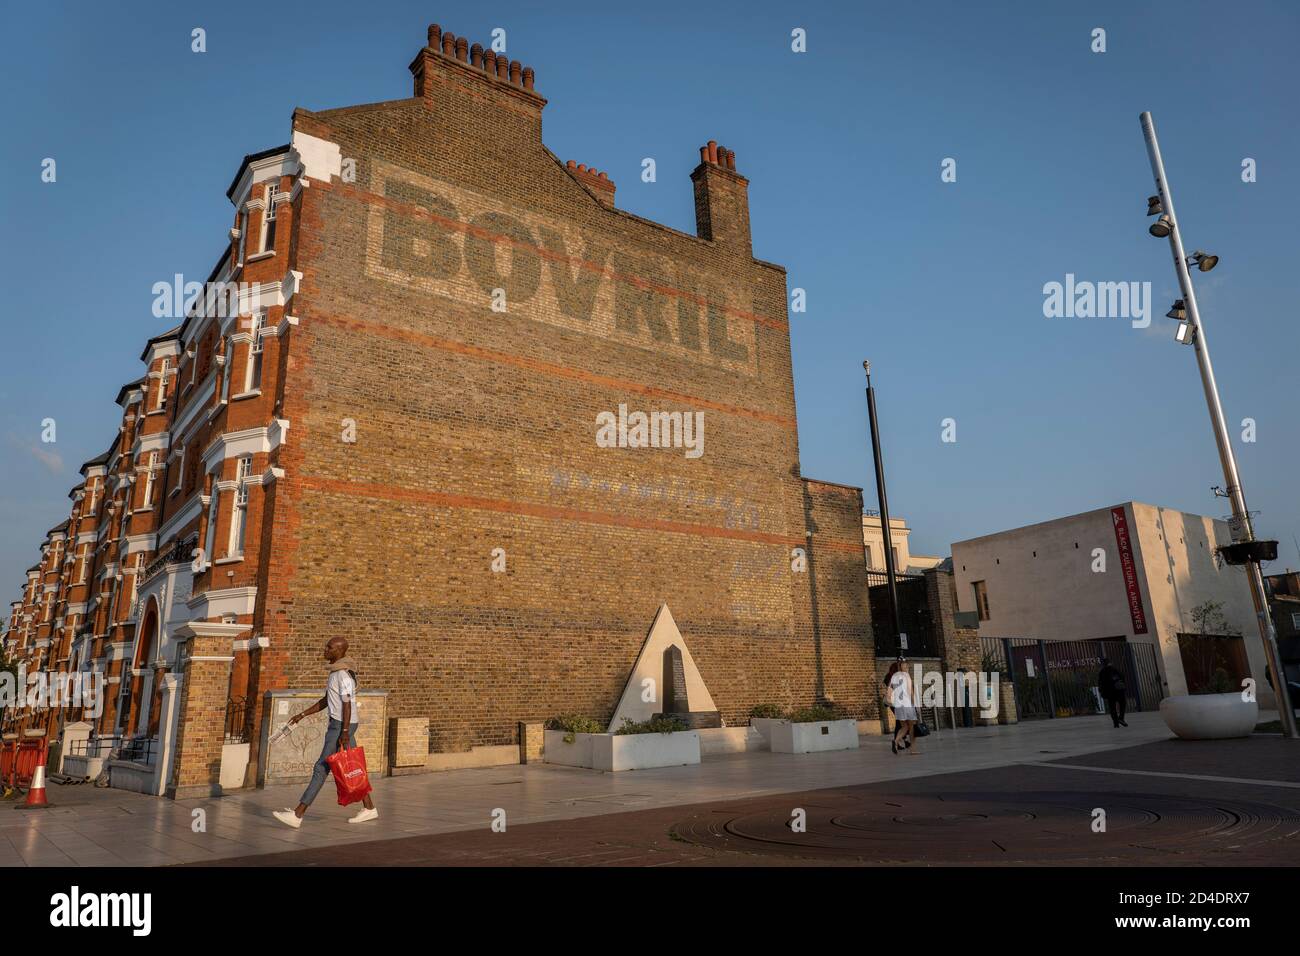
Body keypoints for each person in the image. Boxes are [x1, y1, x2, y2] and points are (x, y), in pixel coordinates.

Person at [273, 637, 378, 828]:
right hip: (342, 724)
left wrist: (344, 731)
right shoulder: (335, 673)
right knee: (353, 766)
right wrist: (302, 714)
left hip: (340, 725)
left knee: (321, 768)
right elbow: (327, 700)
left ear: (339, 651)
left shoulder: (343, 675)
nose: (325, 649)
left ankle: (298, 814)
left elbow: (347, 704)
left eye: (329, 647)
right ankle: (369, 808)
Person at [884, 656, 919, 755]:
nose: (907, 667)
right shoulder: (906, 676)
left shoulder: (894, 677)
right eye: (906, 665)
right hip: (907, 705)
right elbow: (911, 692)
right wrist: (915, 705)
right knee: (912, 727)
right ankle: (913, 749)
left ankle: (895, 742)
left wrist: (891, 701)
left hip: (898, 706)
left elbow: (889, 691)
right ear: (904, 666)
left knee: (904, 727)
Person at [1097, 657, 1128, 728]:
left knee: (1112, 707)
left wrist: (1102, 691)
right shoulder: (1115, 669)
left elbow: (1100, 683)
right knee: (1122, 704)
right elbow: (1122, 677)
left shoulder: (1102, 672)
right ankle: (1121, 718)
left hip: (1109, 692)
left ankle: (1116, 723)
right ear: (1110, 662)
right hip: (1118, 691)